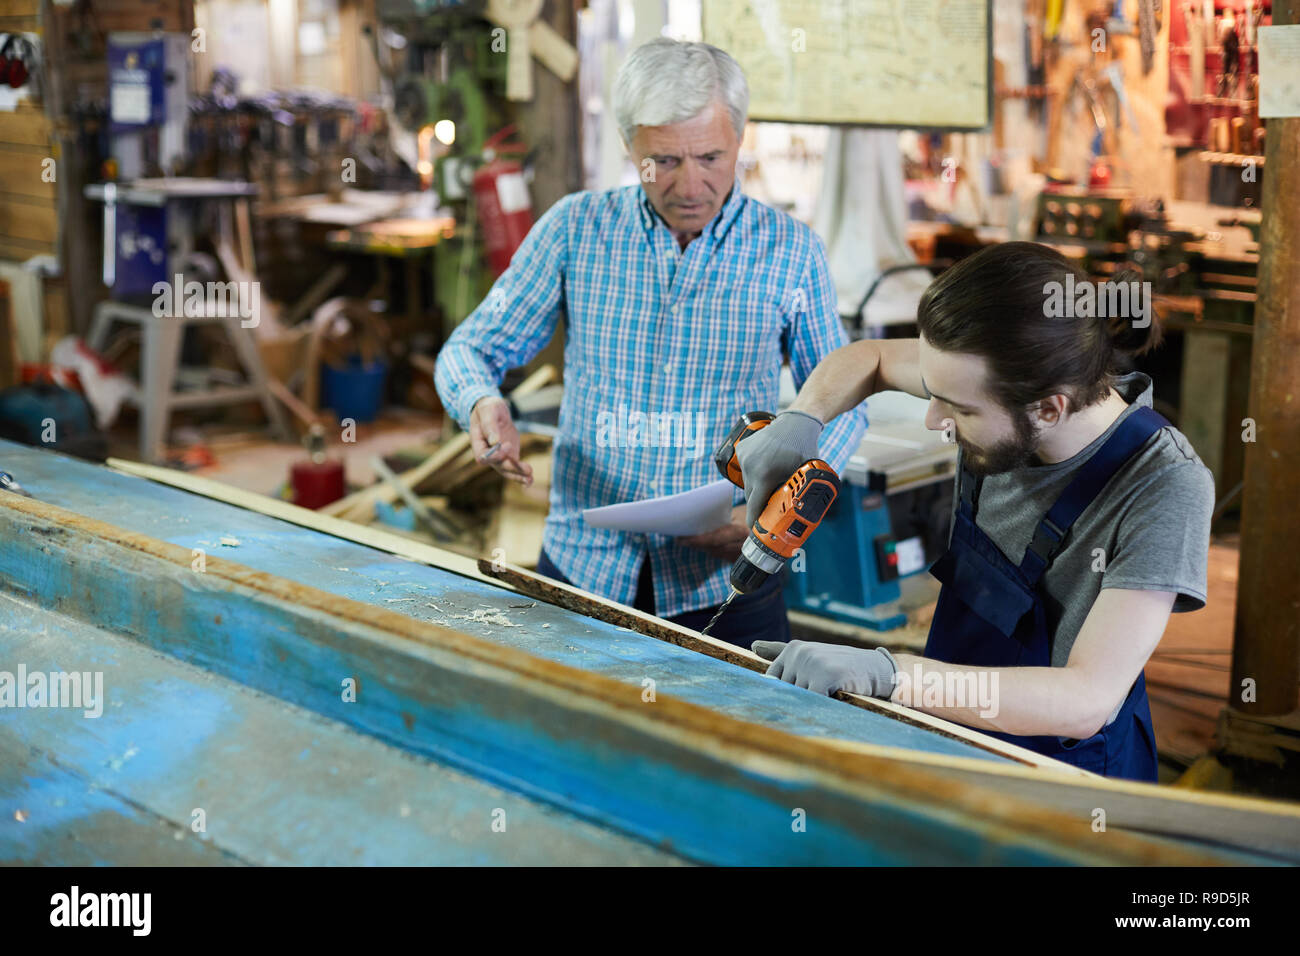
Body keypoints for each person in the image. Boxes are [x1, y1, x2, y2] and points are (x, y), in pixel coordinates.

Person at [435, 38, 864, 649]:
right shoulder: (574, 230)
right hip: (583, 569)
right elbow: (469, 349)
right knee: (574, 733)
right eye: (663, 160)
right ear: (628, 146)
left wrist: (771, 518)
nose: (691, 184)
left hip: (725, 583)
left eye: (711, 157)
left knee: (725, 742)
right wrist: (481, 401)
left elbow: (847, 395)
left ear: (740, 140)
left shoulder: (790, 252)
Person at [738, 242, 1214, 780]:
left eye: (958, 409)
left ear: (1049, 407)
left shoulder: (1164, 487)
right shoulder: (990, 374)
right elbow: (868, 357)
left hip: (1063, 768)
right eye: (934, 393)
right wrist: (803, 419)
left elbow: (1088, 698)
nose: (932, 419)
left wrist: (891, 676)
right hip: (948, 726)